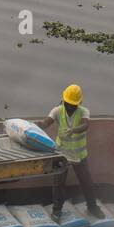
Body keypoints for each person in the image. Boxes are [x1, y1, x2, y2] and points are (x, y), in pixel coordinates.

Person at [36, 84, 94, 216]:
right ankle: (57, 210)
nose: (70, 107)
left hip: (79, 156)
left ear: (79, 103)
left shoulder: (84, 111)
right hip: (61, 155)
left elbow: (85, 125)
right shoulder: (57, 111)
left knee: (87, 182)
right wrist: (33, 126)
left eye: (73, 105)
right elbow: (45, 123)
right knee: (58, 184)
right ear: (64, 100)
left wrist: (74, 130)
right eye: (68, 103)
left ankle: (92, 206)